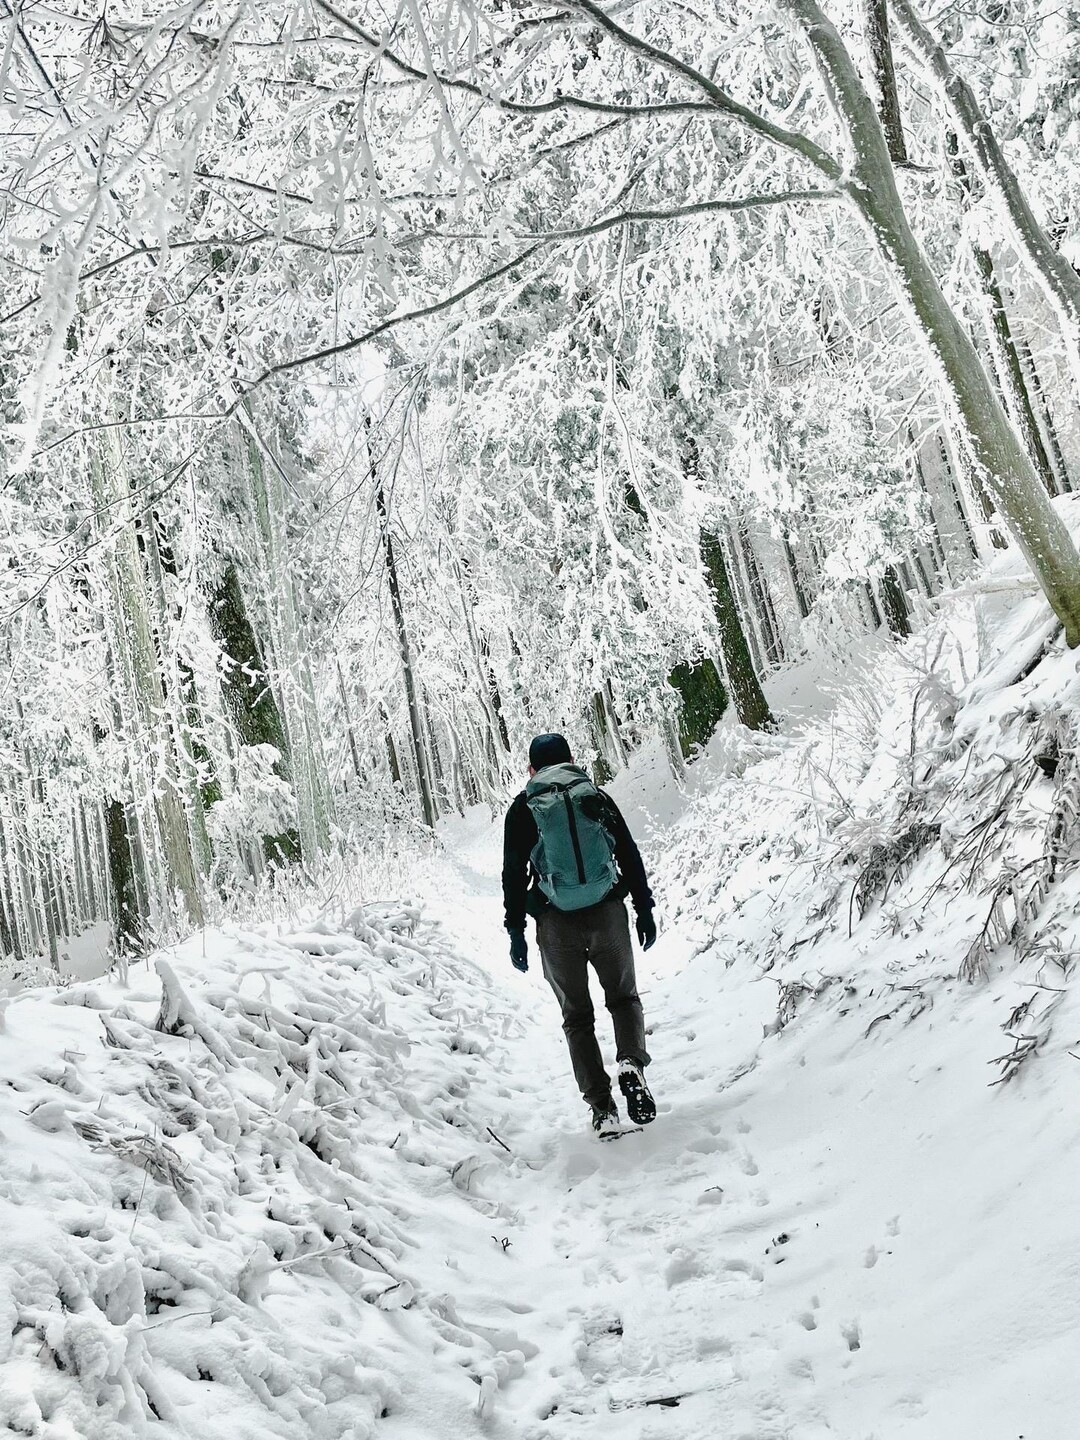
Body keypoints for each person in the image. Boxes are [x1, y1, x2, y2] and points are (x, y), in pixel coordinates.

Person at [501, 732, 658, 1134]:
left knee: (576, 1017)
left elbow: (513, 874)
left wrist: (516, 930)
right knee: (624, 999)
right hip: (607, 913)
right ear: (571, 760)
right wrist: (643, 908)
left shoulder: (523, 808)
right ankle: (630, 1062)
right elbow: (628, 852)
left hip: (556, 924)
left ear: (531, 769)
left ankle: (603, 1109)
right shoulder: (594, 796)